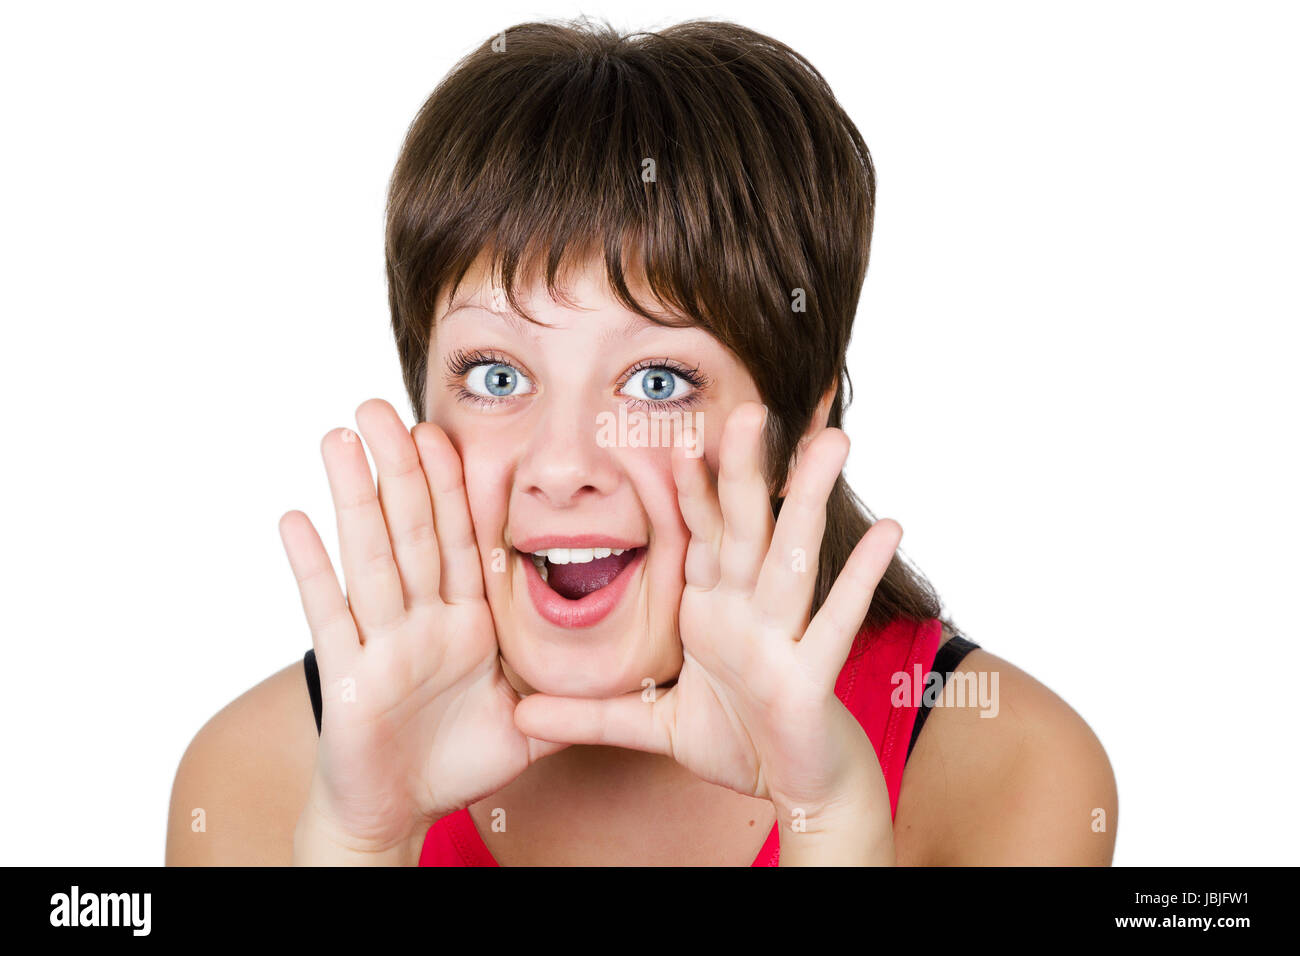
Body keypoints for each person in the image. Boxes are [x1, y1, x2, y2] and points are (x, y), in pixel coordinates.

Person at [166, 17, 1117, 866]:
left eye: (658, 383)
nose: (566, 464)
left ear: (799, 425)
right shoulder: (261, 777)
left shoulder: (1009, 765)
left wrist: (832, 831)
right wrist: (359, 848)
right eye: (497, 376)